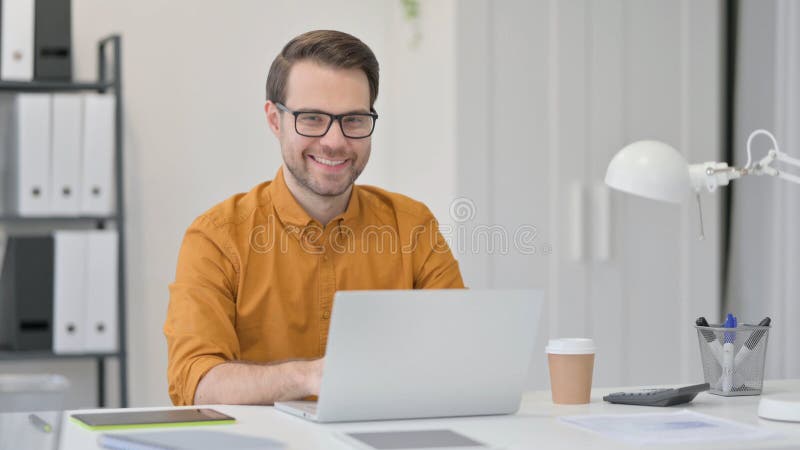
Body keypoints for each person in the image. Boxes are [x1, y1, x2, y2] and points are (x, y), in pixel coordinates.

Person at [164, 30, 464, 406]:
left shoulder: (412, 226)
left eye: (353, 120)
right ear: (275, 120)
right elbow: (198, 383)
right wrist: (310, 376)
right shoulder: (216, 238)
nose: (335, 141)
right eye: (312, 118)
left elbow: (460, 357)